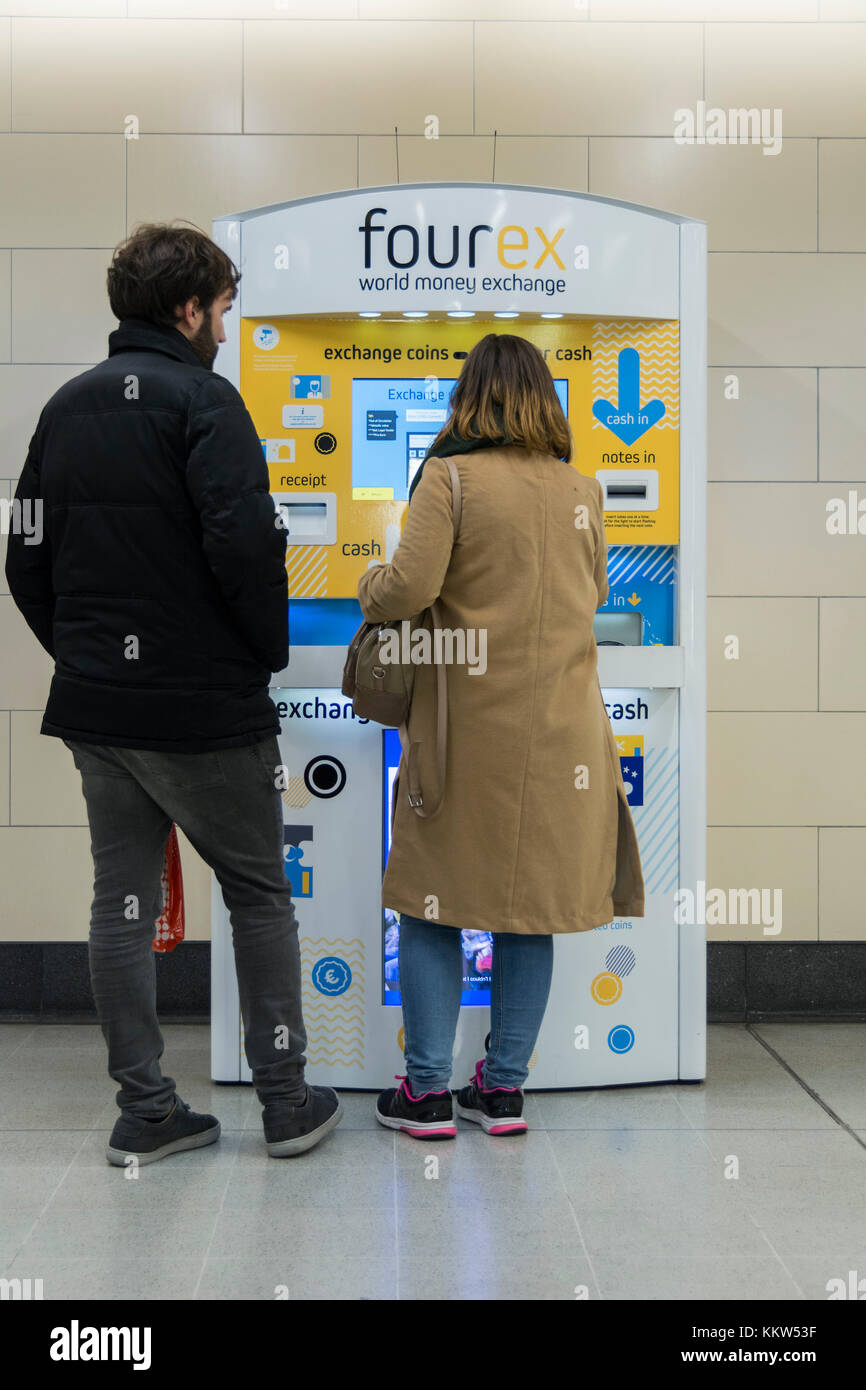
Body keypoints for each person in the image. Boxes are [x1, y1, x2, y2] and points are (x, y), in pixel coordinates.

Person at [5, 223, 341, 1165]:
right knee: (260, 894)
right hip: (203, 715)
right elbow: (247, 551)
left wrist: (85, 659)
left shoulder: (67, 407)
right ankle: (285, 1104)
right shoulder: (207, 403)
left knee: (117, 902)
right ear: (190, 308)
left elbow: (23, 556)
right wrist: (263, 657)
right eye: (225, 309)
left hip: (99, 715)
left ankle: (147, 1112)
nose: (228, 329)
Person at [357, 333, 645, 1140]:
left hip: (466, 735)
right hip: (564, 735)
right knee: (530, 911)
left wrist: (367, 582)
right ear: (545, 401)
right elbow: (593, 593)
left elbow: (405, 588)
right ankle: (505, 1089)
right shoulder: (584, 487)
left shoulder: (448, 478)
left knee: (430, 904)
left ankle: (425, 1095)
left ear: (467, 399)